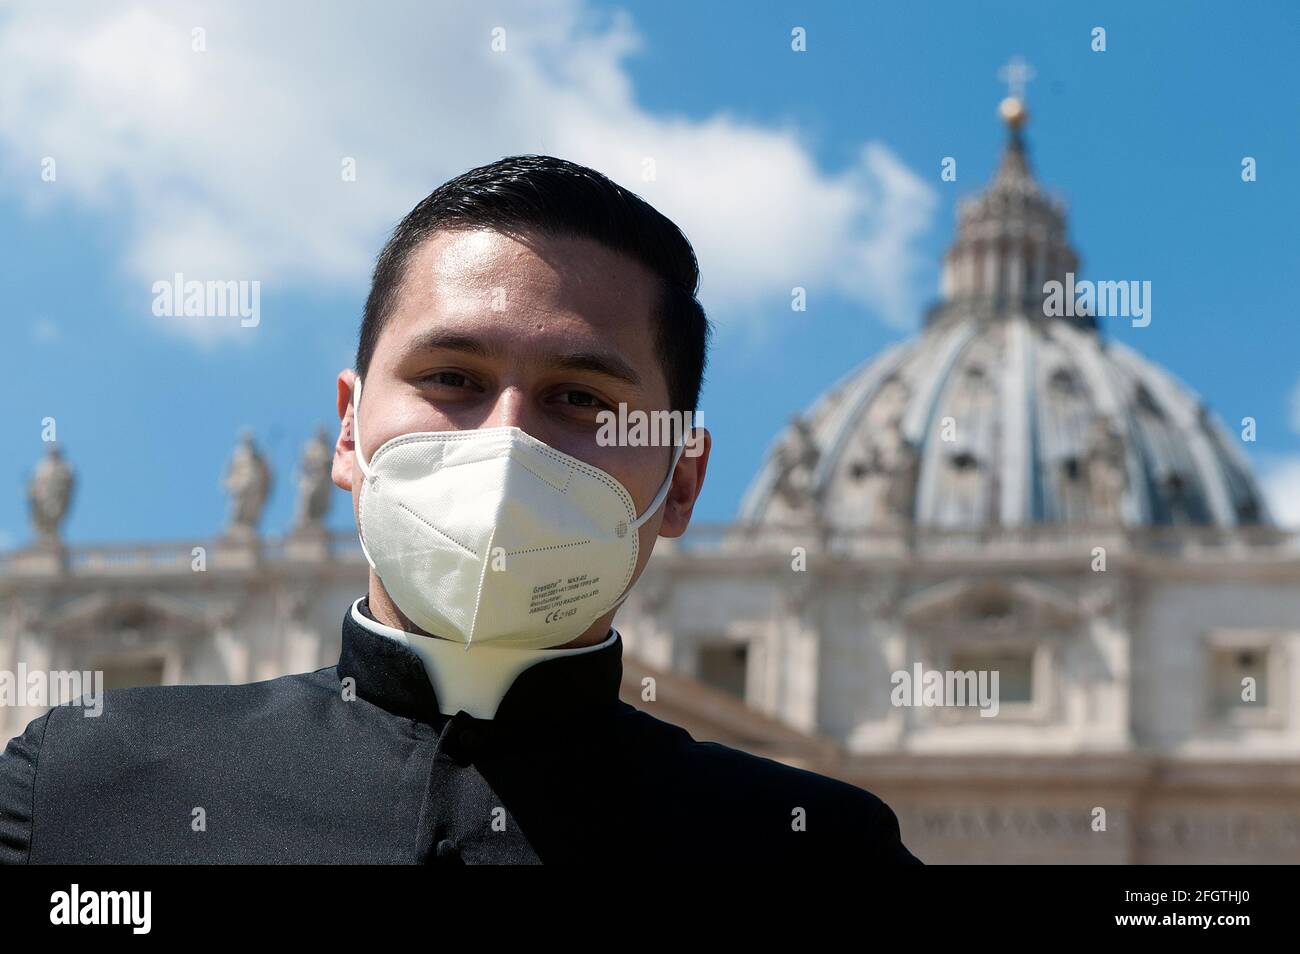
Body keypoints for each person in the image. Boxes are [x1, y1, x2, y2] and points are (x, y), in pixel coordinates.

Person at [0, 155, 921, 864]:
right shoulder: (79, 792)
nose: (505, 441)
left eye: (582, 399)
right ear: (351, 434)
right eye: (452, 379)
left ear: (681, 480)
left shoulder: (822, 853)